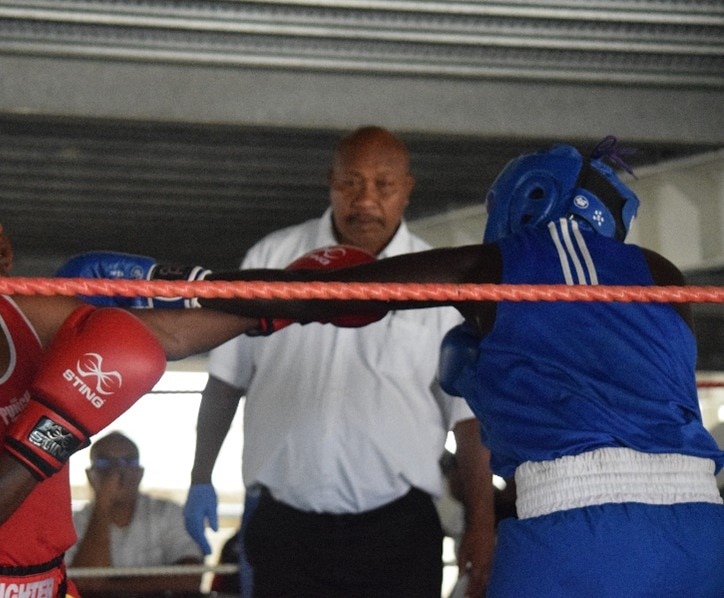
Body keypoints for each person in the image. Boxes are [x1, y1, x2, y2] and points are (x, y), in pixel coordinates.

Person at [208, 137, 724, 596]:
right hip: (704, 524)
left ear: (526, 198)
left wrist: (185, 285)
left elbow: (331, 295)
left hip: (572, 520)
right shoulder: (663, 274)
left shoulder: (494, 266)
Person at [0, 134, 312, 597]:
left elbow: (166, 332)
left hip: (48, 583)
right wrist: (60, 424)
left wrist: (304, 300)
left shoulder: (19, 311)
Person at [184, 126, 496, 598]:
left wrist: (482, 523)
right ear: (330, 182)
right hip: (285, 529)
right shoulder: (272, 259)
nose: (365, 199)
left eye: (383, 184)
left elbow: (467, 420)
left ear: (407, 190)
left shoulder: (440, 280)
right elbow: (226, 382)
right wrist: (199, 476)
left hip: (398, 531)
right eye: (351, 182)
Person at [67, 432, 203, 597]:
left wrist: (110, 587)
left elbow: (191, 578)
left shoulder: (167, 513)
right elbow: (85, 583)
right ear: (90, 475)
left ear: (140, 472)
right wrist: (103, 504)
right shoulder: (72, 523)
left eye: (128, 462)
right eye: (105, 463)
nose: (118, 472)